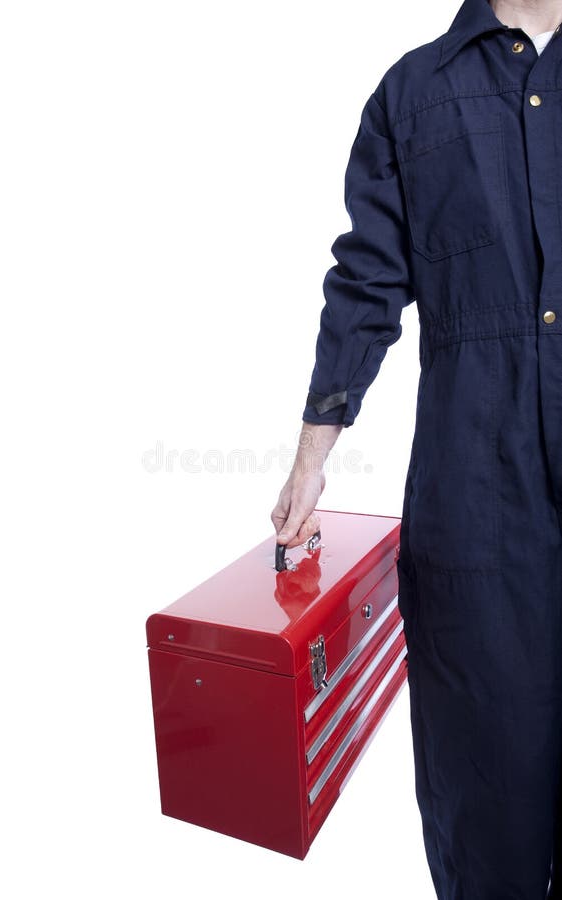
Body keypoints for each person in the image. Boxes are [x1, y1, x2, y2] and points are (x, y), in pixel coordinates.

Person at [270, 1, 562, 897]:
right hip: (479, 489)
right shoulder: (412, 91)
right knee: (488, 800)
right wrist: (311, 458)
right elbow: (365, 281)